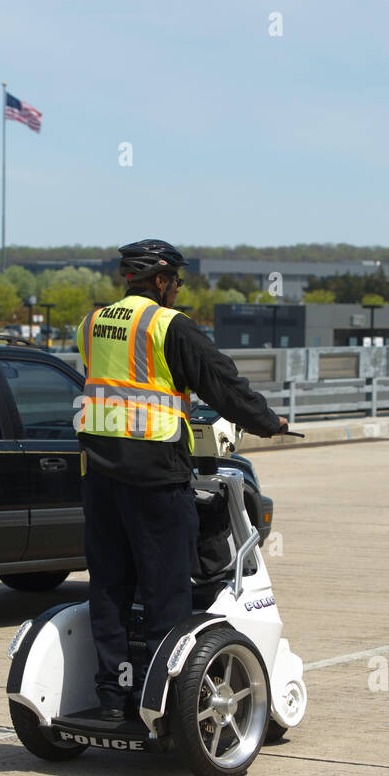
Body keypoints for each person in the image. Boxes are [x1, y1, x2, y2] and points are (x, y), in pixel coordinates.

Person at [75, 239, 287, 721]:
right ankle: (164, 703)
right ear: (161, 281)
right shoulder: (169, 326)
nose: (177, 289)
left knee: (108, 587)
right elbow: (222, 383)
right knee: (165, 589)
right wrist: (266, 421)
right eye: (176, 281)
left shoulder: (91, 324)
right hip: (154, 476)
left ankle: (111, 697)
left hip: (99, 475)